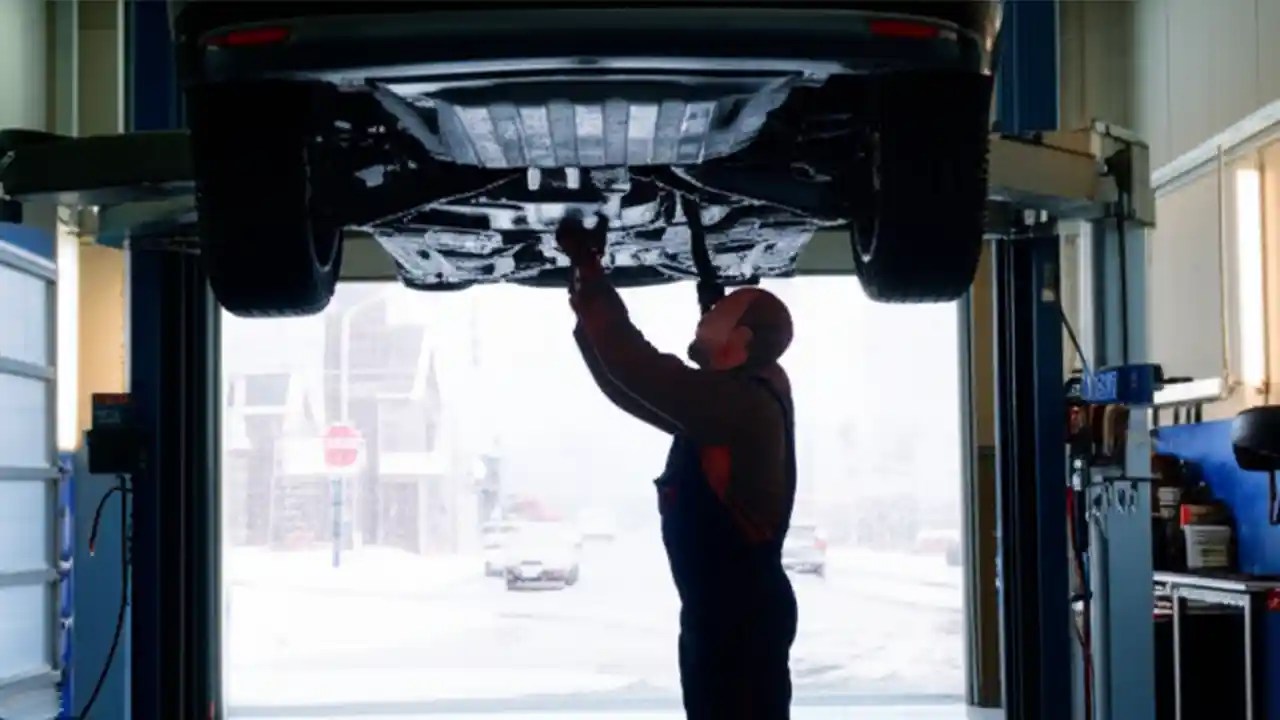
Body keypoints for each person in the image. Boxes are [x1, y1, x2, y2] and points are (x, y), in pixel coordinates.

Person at [557, 213, 799, 719]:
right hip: (730, 612)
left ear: (739, 340)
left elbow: (636, 368)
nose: (703, 319)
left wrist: (590, 270)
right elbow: (627, 386)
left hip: (739, 618)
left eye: (715, 314)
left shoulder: (741, 406)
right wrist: (584, 291)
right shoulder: (738, 395)